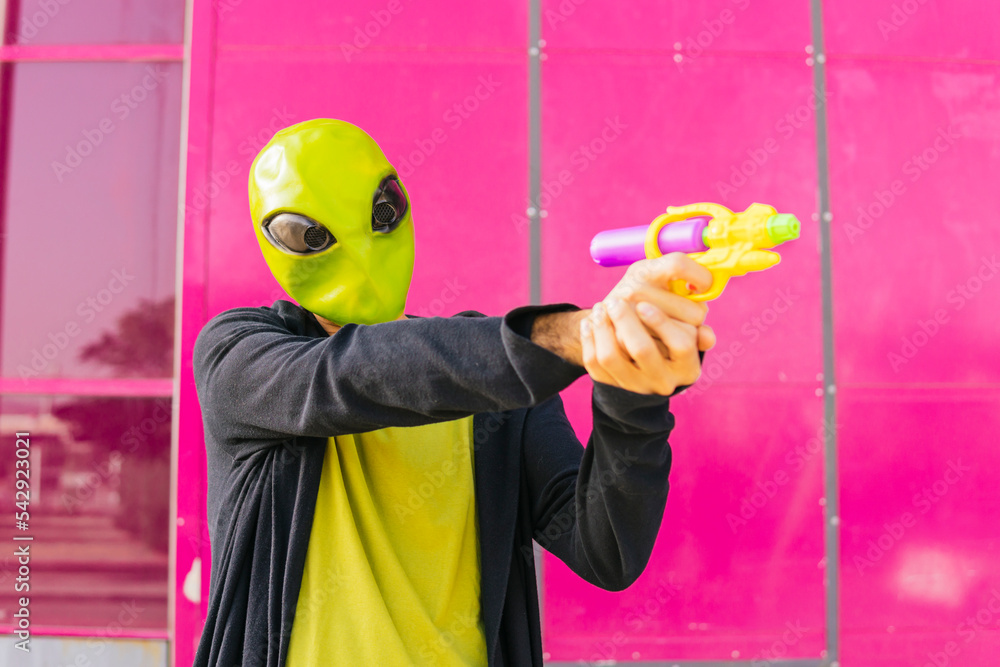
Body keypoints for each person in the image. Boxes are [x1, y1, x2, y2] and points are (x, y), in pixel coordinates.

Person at [191, 118, 715, 667]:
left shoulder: (498, 381)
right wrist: (580, 334)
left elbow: (604, 549)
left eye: (378, 213)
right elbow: (348, 377)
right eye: (311, 233)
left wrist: (632, 393)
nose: (359, 250)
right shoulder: (240, 353)